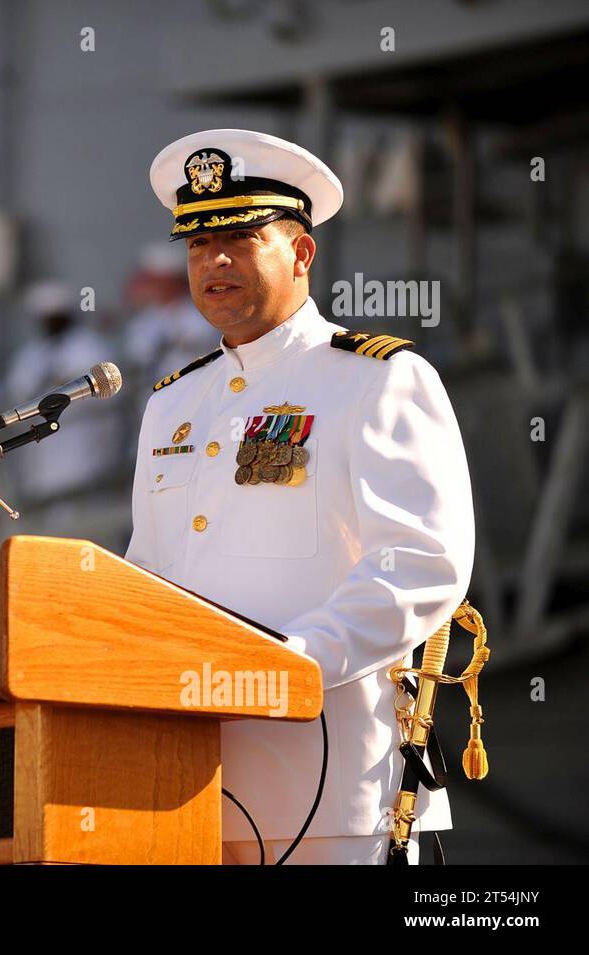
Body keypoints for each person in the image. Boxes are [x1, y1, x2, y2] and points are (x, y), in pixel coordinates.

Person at [129, 129, 474, 865]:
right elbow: (148, 577)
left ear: (302, 253)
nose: (215, 261)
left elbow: (422, 562)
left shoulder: (376, 378)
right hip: (182, 789)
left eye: (240, 238)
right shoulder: (171, 404)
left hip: (333, 794)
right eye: (198, 244)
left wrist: (292, 664)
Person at [4, 280, 120, 507]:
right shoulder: (32, 354)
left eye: (55, 316)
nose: (50, 322)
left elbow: (107, 393)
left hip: (81, 437)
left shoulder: (88, 346)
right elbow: (17, 393)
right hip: (43, 445)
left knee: (84, 502)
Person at [123, 242, 219, 389]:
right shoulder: (144, 319)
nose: (148, 285)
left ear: (172, 280)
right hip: (153, 393)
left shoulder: (201, 314)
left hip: (195, 389)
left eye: (154, 279)